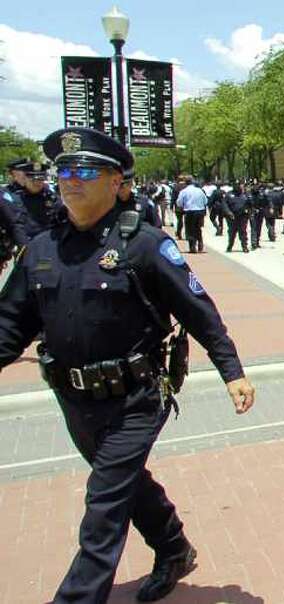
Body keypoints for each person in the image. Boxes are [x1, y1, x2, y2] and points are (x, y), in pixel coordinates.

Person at [0, 127, 255, 602]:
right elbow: (10, 324)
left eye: (85, 171)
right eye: (64, 171)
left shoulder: (145, 245)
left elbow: (198, 310)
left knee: (103, 505)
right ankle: (174, 546)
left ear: (117, 182)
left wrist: (232, 371)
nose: (70, 180)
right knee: (124, 482)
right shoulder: (41, 249)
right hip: (74, 400)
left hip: (137, 397)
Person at [176, 176, 208, 253]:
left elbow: (179, 203)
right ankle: (200, 243)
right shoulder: (200, 190)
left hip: (189, 211)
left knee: (190, 229)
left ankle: (192, 246)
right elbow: (206, 201)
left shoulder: (183, 191)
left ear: (186, 183)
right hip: (200, 211)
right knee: (198, 228)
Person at [221, 183, 252, 253]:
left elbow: (250, 204)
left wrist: (249, 211)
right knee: (232, 233)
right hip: (232, 217)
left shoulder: (245, 195)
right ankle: (230, 246)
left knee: (243, 232)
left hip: (243, 216)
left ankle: (244, 247)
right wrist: (229, 213)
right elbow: (224, 205)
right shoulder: (229, 195)